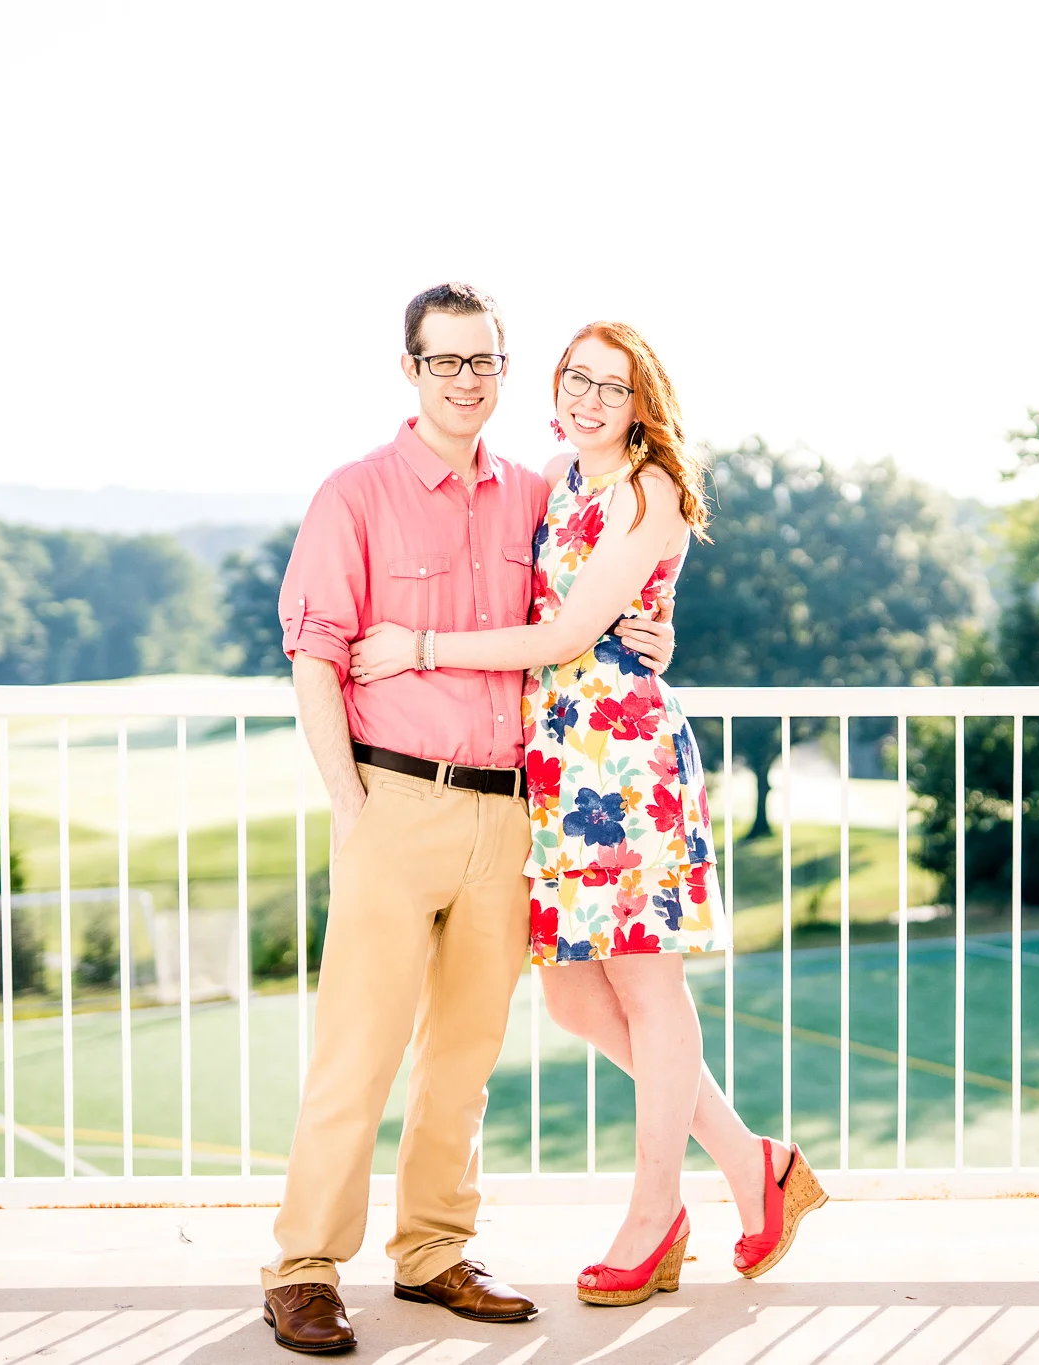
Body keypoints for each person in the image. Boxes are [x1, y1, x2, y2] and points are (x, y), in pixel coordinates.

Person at [349, 320, 827, 1309]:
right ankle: (753, 1166)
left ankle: (656, 1215)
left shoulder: (647, 486)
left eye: (612, 386)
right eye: (576, 379)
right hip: (558, 770)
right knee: (572, 1000)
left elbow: (568, 630)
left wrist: (419, 647)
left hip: (621, 766)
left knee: (649, 996)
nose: (590, 399)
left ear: (642, 403)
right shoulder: (559, 477)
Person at [260, 283, 677, 1354]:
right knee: (356, 1053)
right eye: (444, 362)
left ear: (502, 369)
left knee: (464, 1060)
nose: (464, 380)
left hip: (510, 816)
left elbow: (592, 598)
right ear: (411, 370)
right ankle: (303, 1267)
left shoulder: (531, 494)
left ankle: (434, 1251)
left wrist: (653, 627)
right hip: (393, 802)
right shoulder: (351, 494)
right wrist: (350, 809)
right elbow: (314, 656)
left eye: (482, 361)